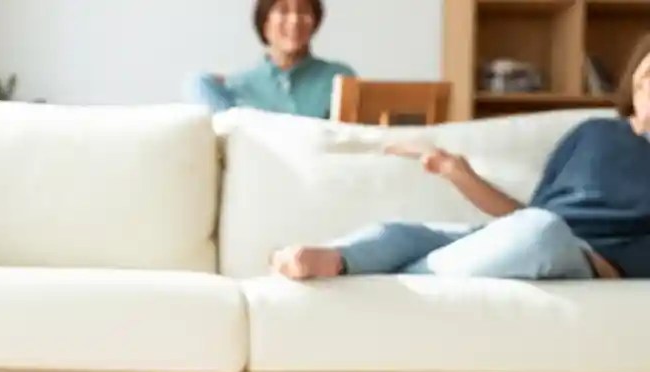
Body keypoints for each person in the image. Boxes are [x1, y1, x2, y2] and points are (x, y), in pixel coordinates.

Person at [271, 33, 650, 281]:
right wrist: (456, 170)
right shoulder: (593, 132)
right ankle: (335, 259)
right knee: (403, 233)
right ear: (634, 78)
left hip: (575, 257)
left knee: (541, 234)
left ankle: (390, 282)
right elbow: (522, 214)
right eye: (647, 74)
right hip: (522, 234)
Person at [190, 0, 355, 119]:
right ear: (265, 22)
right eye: (283, 10)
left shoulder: (338, 77)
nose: (295, 20)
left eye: (304, 11)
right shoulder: (238, 85)